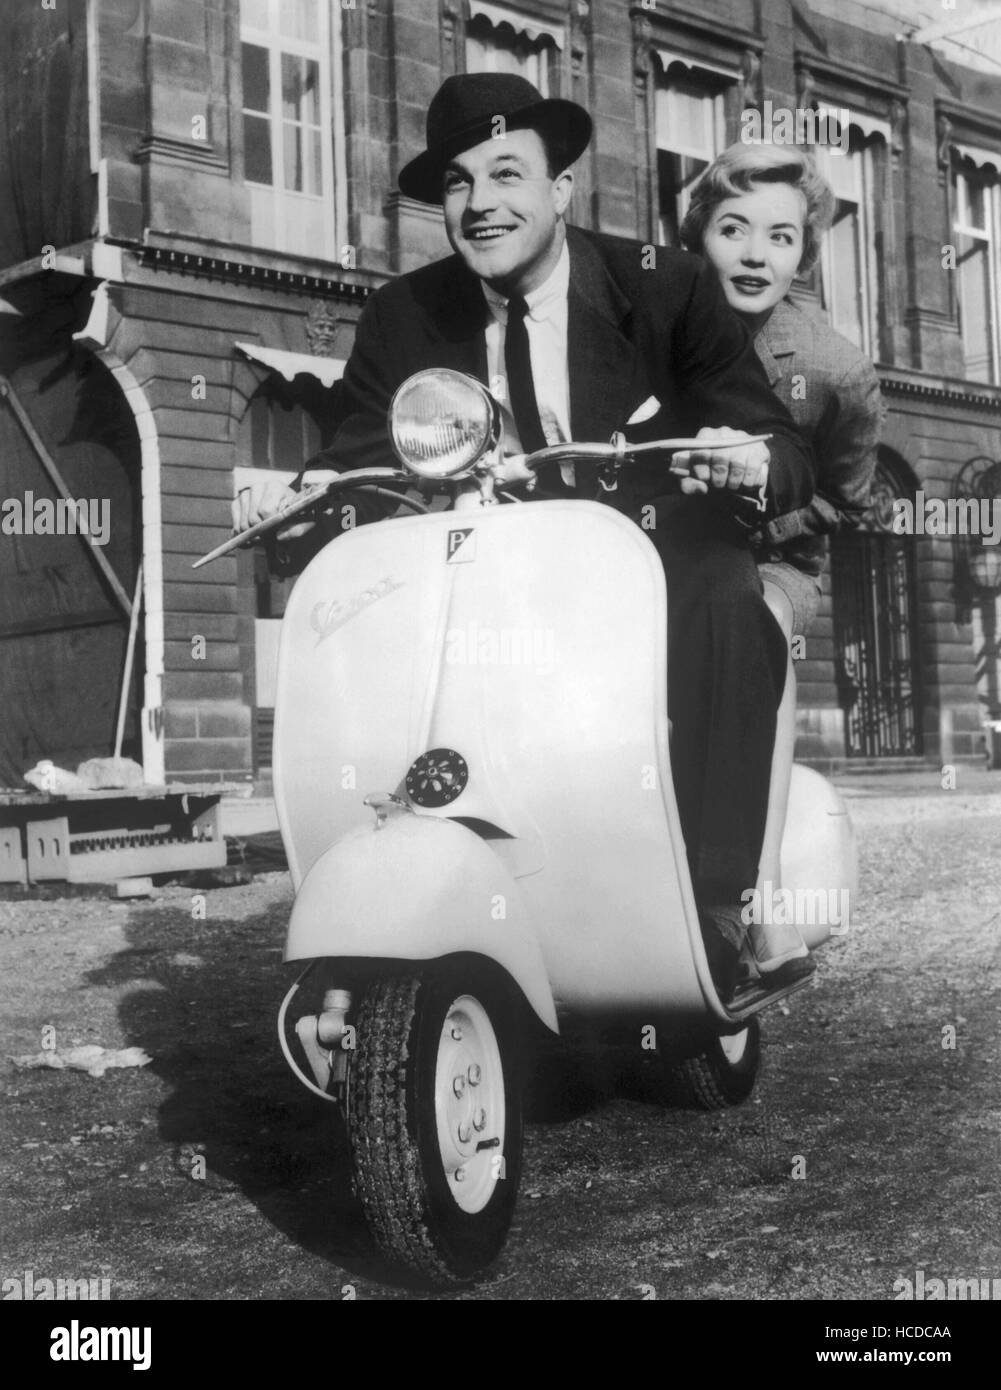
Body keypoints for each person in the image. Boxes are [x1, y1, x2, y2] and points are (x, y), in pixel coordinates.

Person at [235, 74, 817, 1003]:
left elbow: (781, 446)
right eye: (458, 184)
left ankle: (717, 899)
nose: (480, 203)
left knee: (724, 599)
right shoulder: (404, 313)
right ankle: (386, 873)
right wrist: (303, 499)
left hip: (647, 557)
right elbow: (352, 454)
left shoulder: (662, 290)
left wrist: (745, 455)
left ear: (560, 191)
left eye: (506, 173)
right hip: (481, 572)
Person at [681, 142, 881, 978]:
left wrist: (762, 509)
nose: (755, 254)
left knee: (754, 623)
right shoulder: (658, 322)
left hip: (775, 565)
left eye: (781, 236)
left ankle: (752, 897)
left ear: (804, 250)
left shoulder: (835, 368)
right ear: (697, 235)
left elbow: (850, 500)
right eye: (732, 229)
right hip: (665, 550)